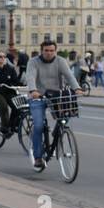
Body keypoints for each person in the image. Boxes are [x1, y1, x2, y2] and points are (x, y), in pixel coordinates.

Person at [25, 39, 81, 172]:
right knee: (38, 125)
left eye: (52, 50)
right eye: (46, 50)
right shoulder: (33, 62)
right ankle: (38, 157)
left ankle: (58, 133)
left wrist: (77, 88)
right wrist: (33, 90)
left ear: (55, 51)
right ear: (41, 51)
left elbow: (69, 75)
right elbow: (30, 76)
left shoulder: (60, 61)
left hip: (56, 95)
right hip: (38, 96)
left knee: (66, 115)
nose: (49, 53)